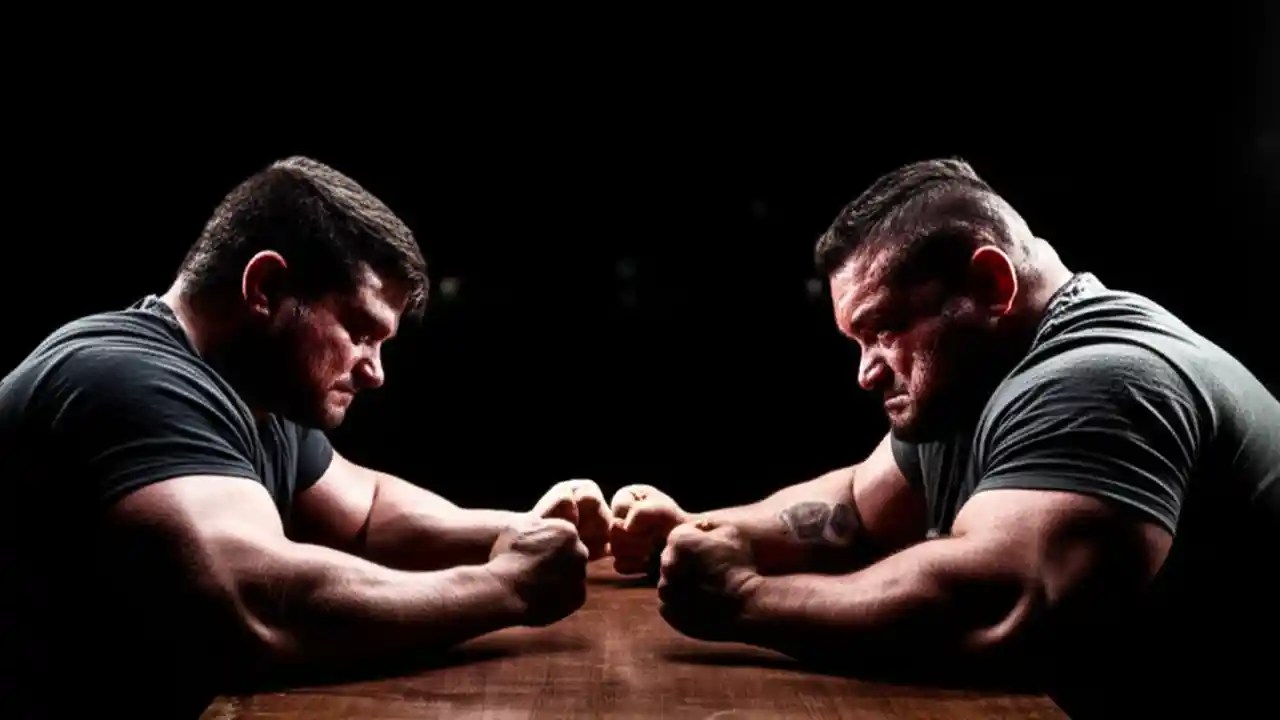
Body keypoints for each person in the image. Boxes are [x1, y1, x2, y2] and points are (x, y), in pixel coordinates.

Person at [608, 158, 1279, 716]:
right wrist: (698, 533)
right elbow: (855, 506)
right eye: (857, 340)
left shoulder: (1103, 378)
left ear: (990, 284)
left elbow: (997, 606)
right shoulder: (981, 374)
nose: (867, 372)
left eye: (883, 330)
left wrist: (741, 598)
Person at [0, 156, 612, 718]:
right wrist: (505, 585)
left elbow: (367, 512)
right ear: (265, 288)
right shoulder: (122, 378)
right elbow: (255, 603)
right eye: (360, 332)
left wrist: (518, 532)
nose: (375, 372)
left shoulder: (254, 395)